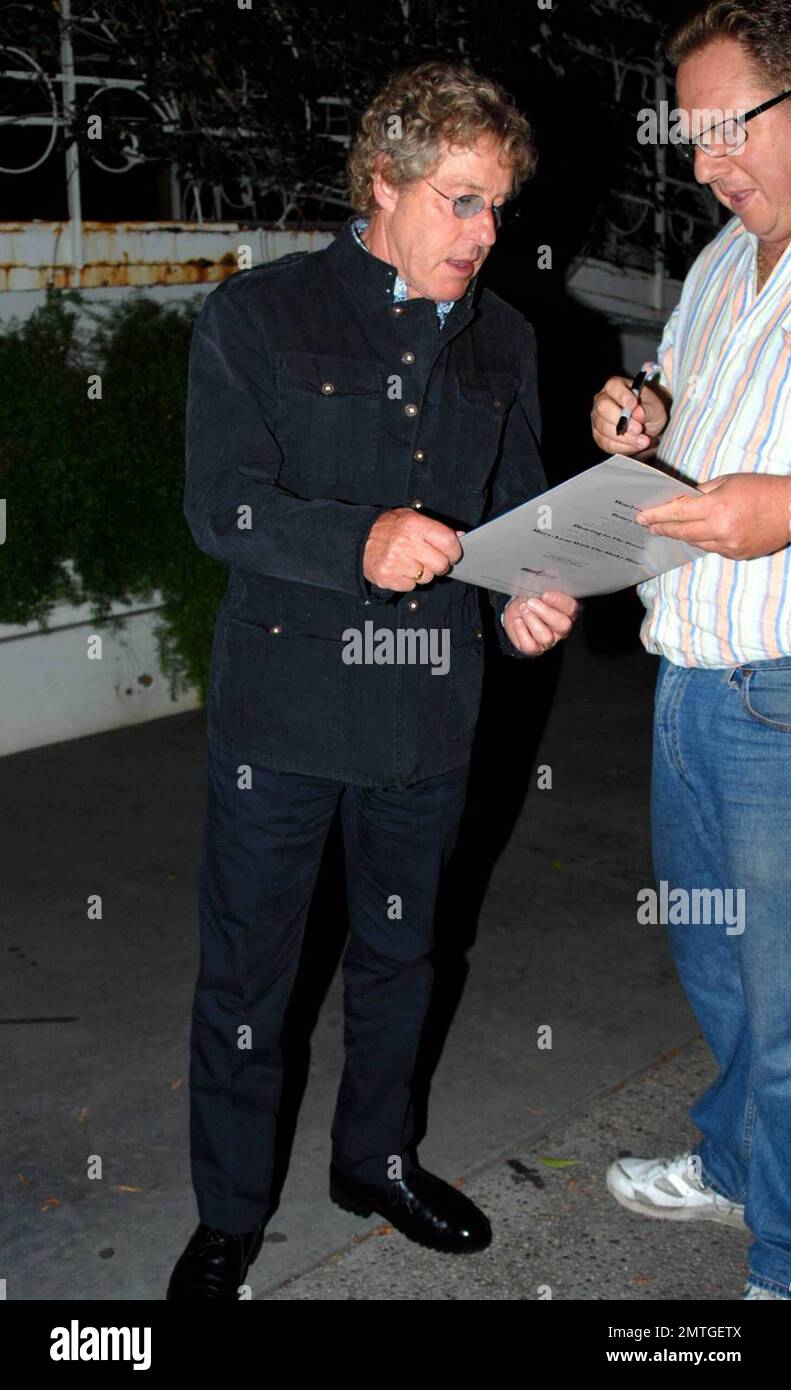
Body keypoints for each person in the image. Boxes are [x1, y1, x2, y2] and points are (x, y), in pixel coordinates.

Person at [168, 59, 578, 1300]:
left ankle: (374, 1161)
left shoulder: (505, 337)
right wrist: (353, 539)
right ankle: (231, 1212)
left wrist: (529, 595)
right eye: (460, 200)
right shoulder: (259, 317)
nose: (486, 232)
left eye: (498, 205)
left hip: (425, 715)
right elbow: (220, 503)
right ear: (382, 183)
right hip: (282, 713)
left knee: (404, 955)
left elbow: (517, 516)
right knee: (252, 971)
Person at [591, 0, 791, 1302]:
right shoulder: (724, 256)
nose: (709, 162)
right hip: (687, 675)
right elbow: (674, 392)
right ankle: (735, 1166)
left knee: (785, 1014)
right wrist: (640, 413)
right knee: (714, 964)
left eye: (734, 130)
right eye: (693, 137)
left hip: (779, 688)